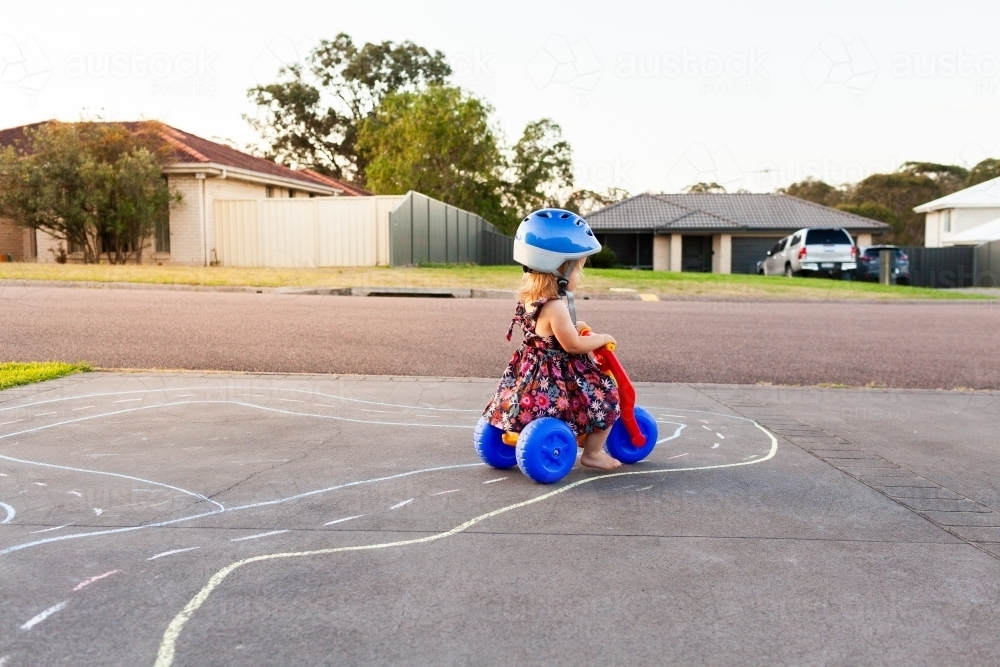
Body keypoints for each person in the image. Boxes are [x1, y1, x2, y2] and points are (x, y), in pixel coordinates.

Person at [483, 208, 622, 470]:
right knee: (606, 396)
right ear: (559, 268)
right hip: (557, 373)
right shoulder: (556, 306)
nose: (579, 276)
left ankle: (511, 428)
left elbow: (547, 331)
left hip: (531, 370)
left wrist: (574, 325)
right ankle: (593, 453)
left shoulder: (530, 299)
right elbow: (573, 345)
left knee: (519, 399)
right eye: (577, 269)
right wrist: (601, 338)